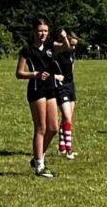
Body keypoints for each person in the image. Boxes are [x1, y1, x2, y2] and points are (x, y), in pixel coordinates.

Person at [17, 20, 59, 179]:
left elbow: (66, 49)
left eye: (46, 31)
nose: (43, 34)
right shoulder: (27, 50)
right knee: (41, 127)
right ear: (34, 32)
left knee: (53, 128)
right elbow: (19, 73)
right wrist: (35, 74)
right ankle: (40, 166)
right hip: (36, 89)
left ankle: (38, 157)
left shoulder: (50, 49)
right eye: (40, 30)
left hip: (50, 88)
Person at [56, 25, 82, 158]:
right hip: (61, 87)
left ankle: (62, 147)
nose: (73, 48)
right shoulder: (57, 51)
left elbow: (72, 67)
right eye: (71, 44)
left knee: (68, 119)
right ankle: (69, 149)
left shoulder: (72, 53)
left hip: (70, 86)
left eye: (75, 45)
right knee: (66, 117)